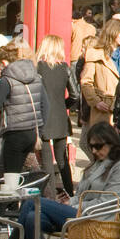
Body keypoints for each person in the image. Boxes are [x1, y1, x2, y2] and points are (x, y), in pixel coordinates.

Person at [10, 121, 120, 239]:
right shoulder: (97, 164)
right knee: (31, 218)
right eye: (91, 147)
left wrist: (73, 206)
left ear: (111, 143)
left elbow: (107, 203)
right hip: (82, 215)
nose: (94, 151)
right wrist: (69, 202)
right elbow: (80, 196)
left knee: (31, 202)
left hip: (98, 221)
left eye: (98, 146)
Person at [0, 41, 47, 175]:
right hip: (32, 132)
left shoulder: (7, 79)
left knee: (10, 176)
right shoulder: (35, 76)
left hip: (15, 133)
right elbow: (43, 105)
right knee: (12, 171)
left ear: (4, 62)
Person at [35, 35, 75, 197]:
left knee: (47, 163)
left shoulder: (37, 68)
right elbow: (75, 95)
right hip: (60, 118)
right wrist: (63, 106)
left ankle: (50, 196)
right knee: (62, 159)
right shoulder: (65, 68)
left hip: (42, 117)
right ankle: (70, 193)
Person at [80, 18, 120, 126]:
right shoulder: (95, 54)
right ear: (114, 33)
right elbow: (86, 81)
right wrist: (96, 101)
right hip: (104, 109)